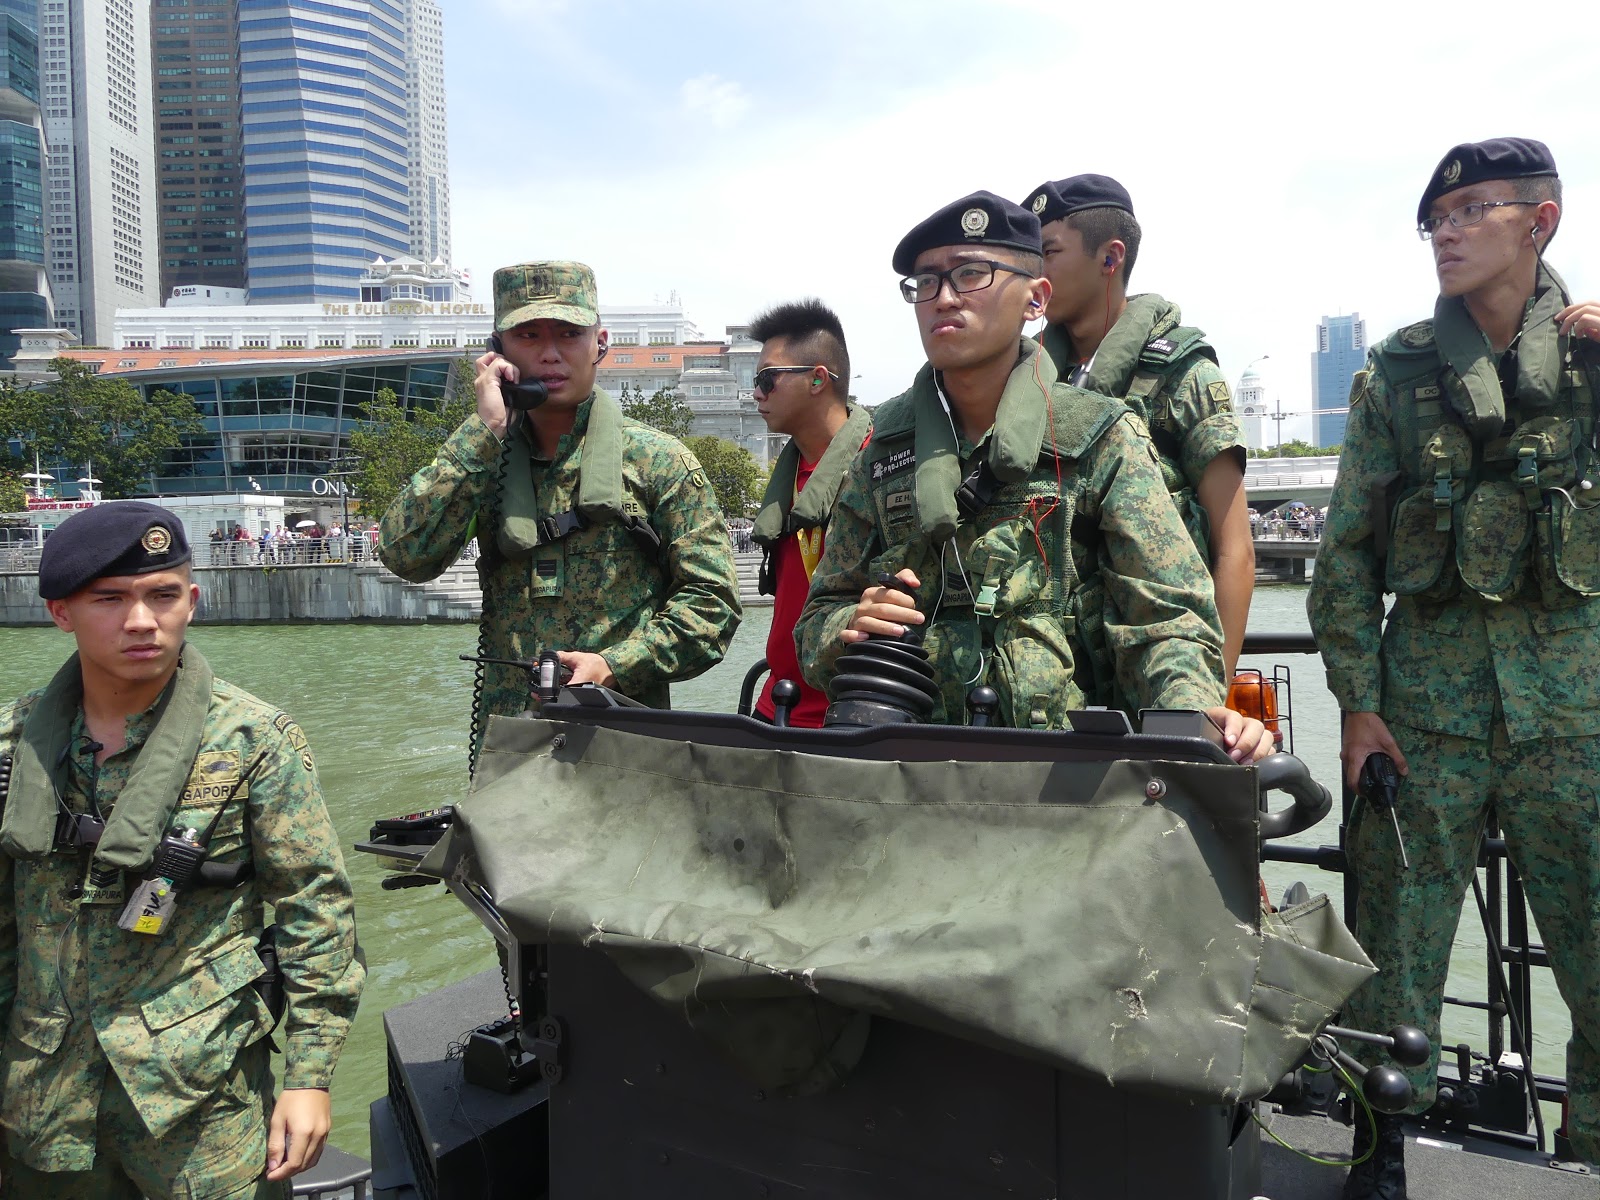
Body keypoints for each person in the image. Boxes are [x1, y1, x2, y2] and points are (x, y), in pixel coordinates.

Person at [1308, 137, 1600, 1193]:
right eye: (1437, 214)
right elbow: (1343, 553)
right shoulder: (1395, 370)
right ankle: (1384, 1151)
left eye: (1475, 209)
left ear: (1541, 221)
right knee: (1394, 942)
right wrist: (1356, 706)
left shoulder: (1594, 357)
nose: (1447, 228)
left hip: (1577, 710)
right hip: (1420, 709)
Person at [794, 191, 1268, 761]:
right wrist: (850, 623)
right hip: (909, 778)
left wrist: (1192, 710)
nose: (943, 298)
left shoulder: (1100, 436)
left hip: (1066, 783)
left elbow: (1167, 617)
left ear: (1035, 299)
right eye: (925, 283)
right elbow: (817, 617)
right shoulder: (882, 446)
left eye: (972, 274)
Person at [0, 501, 365, 1198]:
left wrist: (309, 1078)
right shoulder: (16, 746)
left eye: (162, 595)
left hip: (197, 1101)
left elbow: (316, 918)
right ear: (59, 612)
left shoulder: (253, 743)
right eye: (109, 599)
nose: (142, 620)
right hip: (42, 1097)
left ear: (191, 602)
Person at [380, 261, 741, 760]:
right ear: (498, 351)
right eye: (528, 335)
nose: (550, 354)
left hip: (625, 749)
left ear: (600, 342)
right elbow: (405, 555)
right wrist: (481, 434)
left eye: (569, 333)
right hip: (510, 752)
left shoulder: (659, 461)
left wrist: (615, 663)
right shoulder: (484, 457)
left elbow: (712, 605)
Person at [1022, 175, 1254, 677]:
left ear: (1110, 258)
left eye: (1048, 253)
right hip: (1050, 679)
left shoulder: (1182, 376)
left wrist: (1212, 697)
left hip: (1152, 669)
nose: (1032, 274)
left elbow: (1234, 549)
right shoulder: (1026, 380)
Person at [747, 299, 872, 727]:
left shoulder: (882, 467)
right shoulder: (788, 475)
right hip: (777, 706)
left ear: (819, 379)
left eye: (768, 377)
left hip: (855, 716)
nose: (757, 392)